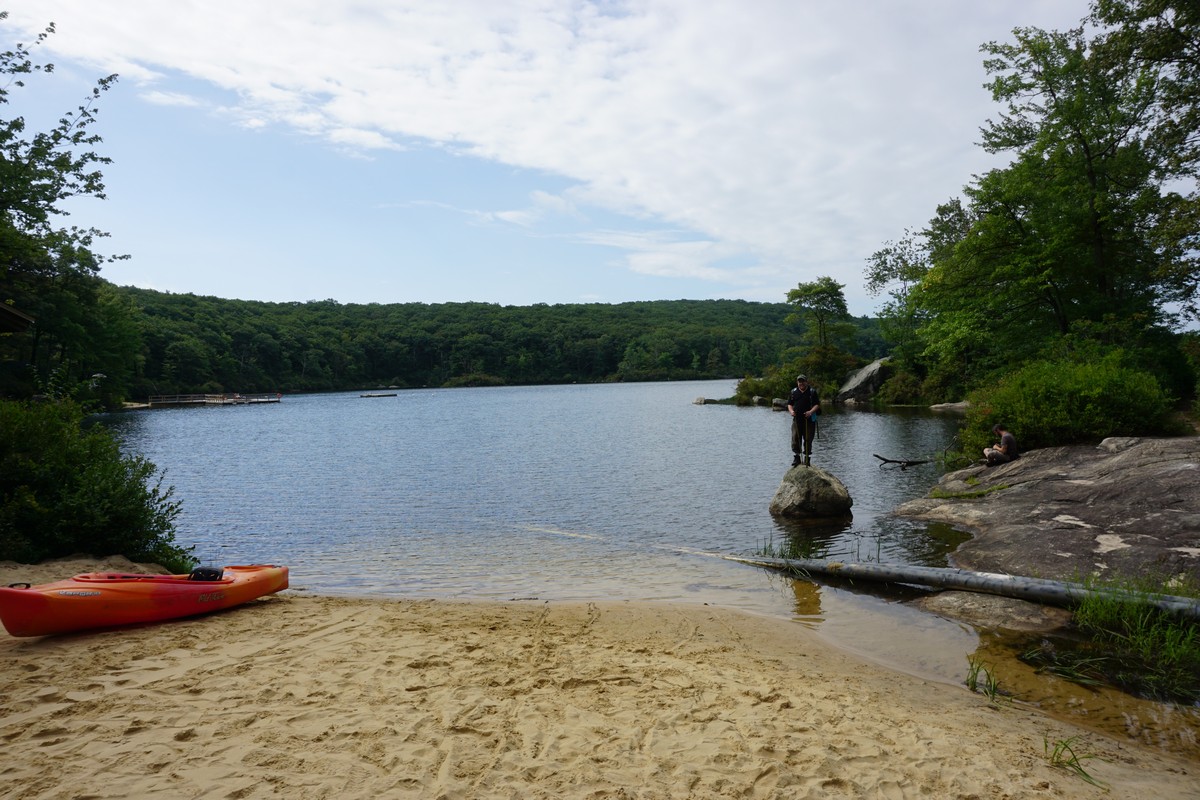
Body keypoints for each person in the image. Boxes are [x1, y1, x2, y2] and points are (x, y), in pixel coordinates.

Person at [787, 375, 820, 466]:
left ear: (806, 382)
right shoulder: (793, 392)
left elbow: (817, 405)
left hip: (809, 420)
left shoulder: (812, 392)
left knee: (808, 439)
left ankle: (807, 459)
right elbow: (789, 404)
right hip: (797, 420)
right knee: (795, 438)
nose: (801, 383)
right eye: (799, 381)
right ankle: (797, 458)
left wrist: (810, 412)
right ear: (797, 382)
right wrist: (791, 411)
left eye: (803, 381)